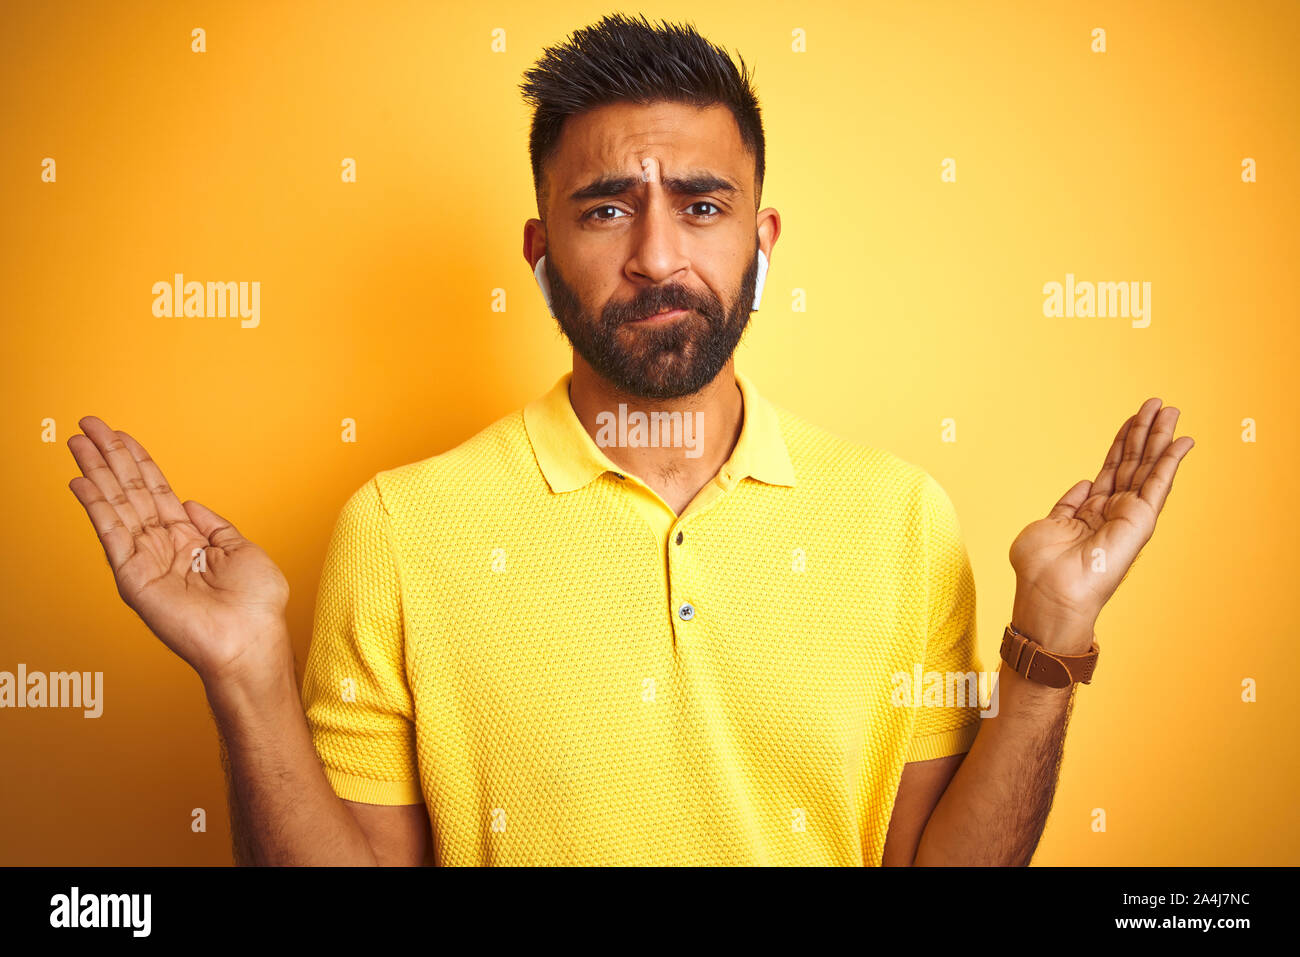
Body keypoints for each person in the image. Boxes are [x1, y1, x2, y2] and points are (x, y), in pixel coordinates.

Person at [65, 13, 1194, 866]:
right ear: (540, 246)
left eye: (701, 206)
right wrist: (245, 674)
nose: (657, 255)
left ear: (762, 238)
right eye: (605, 208)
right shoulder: (401, 529)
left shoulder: (900, 520)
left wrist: (1049, 642)